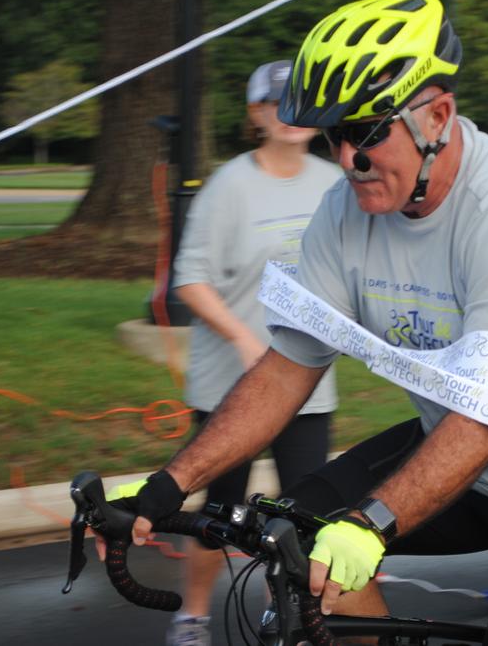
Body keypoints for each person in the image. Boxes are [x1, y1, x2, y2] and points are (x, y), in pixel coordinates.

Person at [117, 0, 488, 645]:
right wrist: (168, 485)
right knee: (294, 538)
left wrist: (373, 522)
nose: (348, 159)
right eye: (334, 136)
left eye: (368, 132)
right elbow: (288, 367)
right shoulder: (345, 212)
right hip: (467, 453)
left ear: (438, 115)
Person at [165, 59, 341, 646]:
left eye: (300, 104)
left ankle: (280, 617)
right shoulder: (229, 185)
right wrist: (244, 339)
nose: (289, 115)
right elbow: (189, 280)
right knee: (220, 509)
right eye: (275, 103)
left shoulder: (334, 183)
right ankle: (192, 617)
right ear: (255, 115)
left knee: (302, 514)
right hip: (233, 384)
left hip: (307, 381)